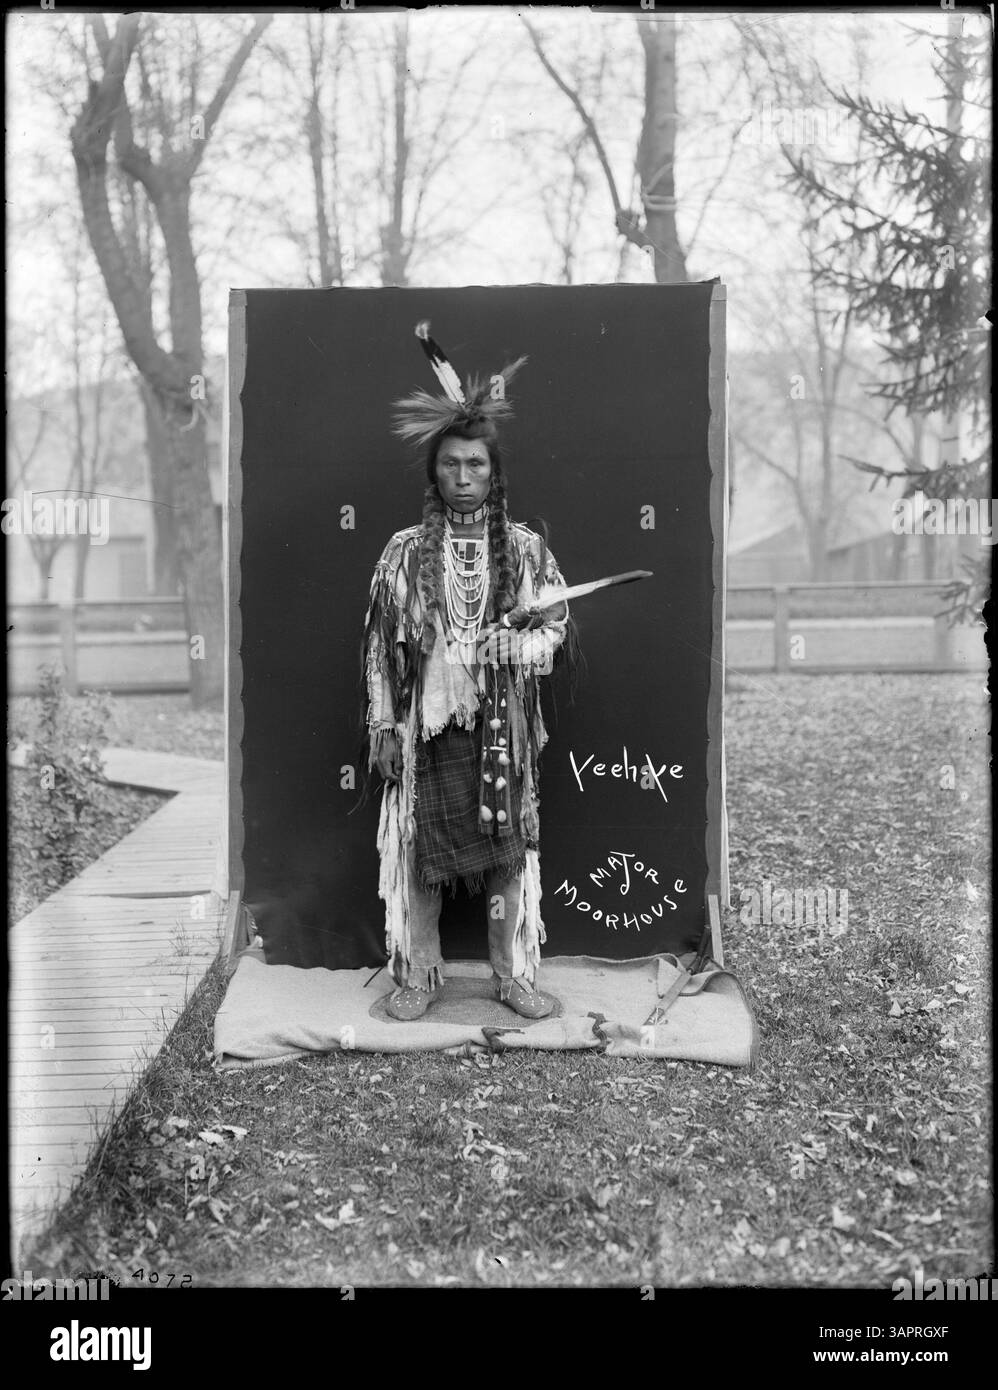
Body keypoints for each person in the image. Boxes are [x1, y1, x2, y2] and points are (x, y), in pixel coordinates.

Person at [362, 323, 574, 1021]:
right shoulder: (400, 554)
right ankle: (422, 973)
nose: (462, 477)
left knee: (507, 850)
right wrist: (385, 723)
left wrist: (519, 646)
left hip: (500, 724)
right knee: (422, 843)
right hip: (427, 723)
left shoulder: (523, 549)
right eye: (450, 465)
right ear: (435, 472)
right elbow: (378, 647)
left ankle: (508, 975)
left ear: (494, 471)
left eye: (476, 465)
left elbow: (556, 629)